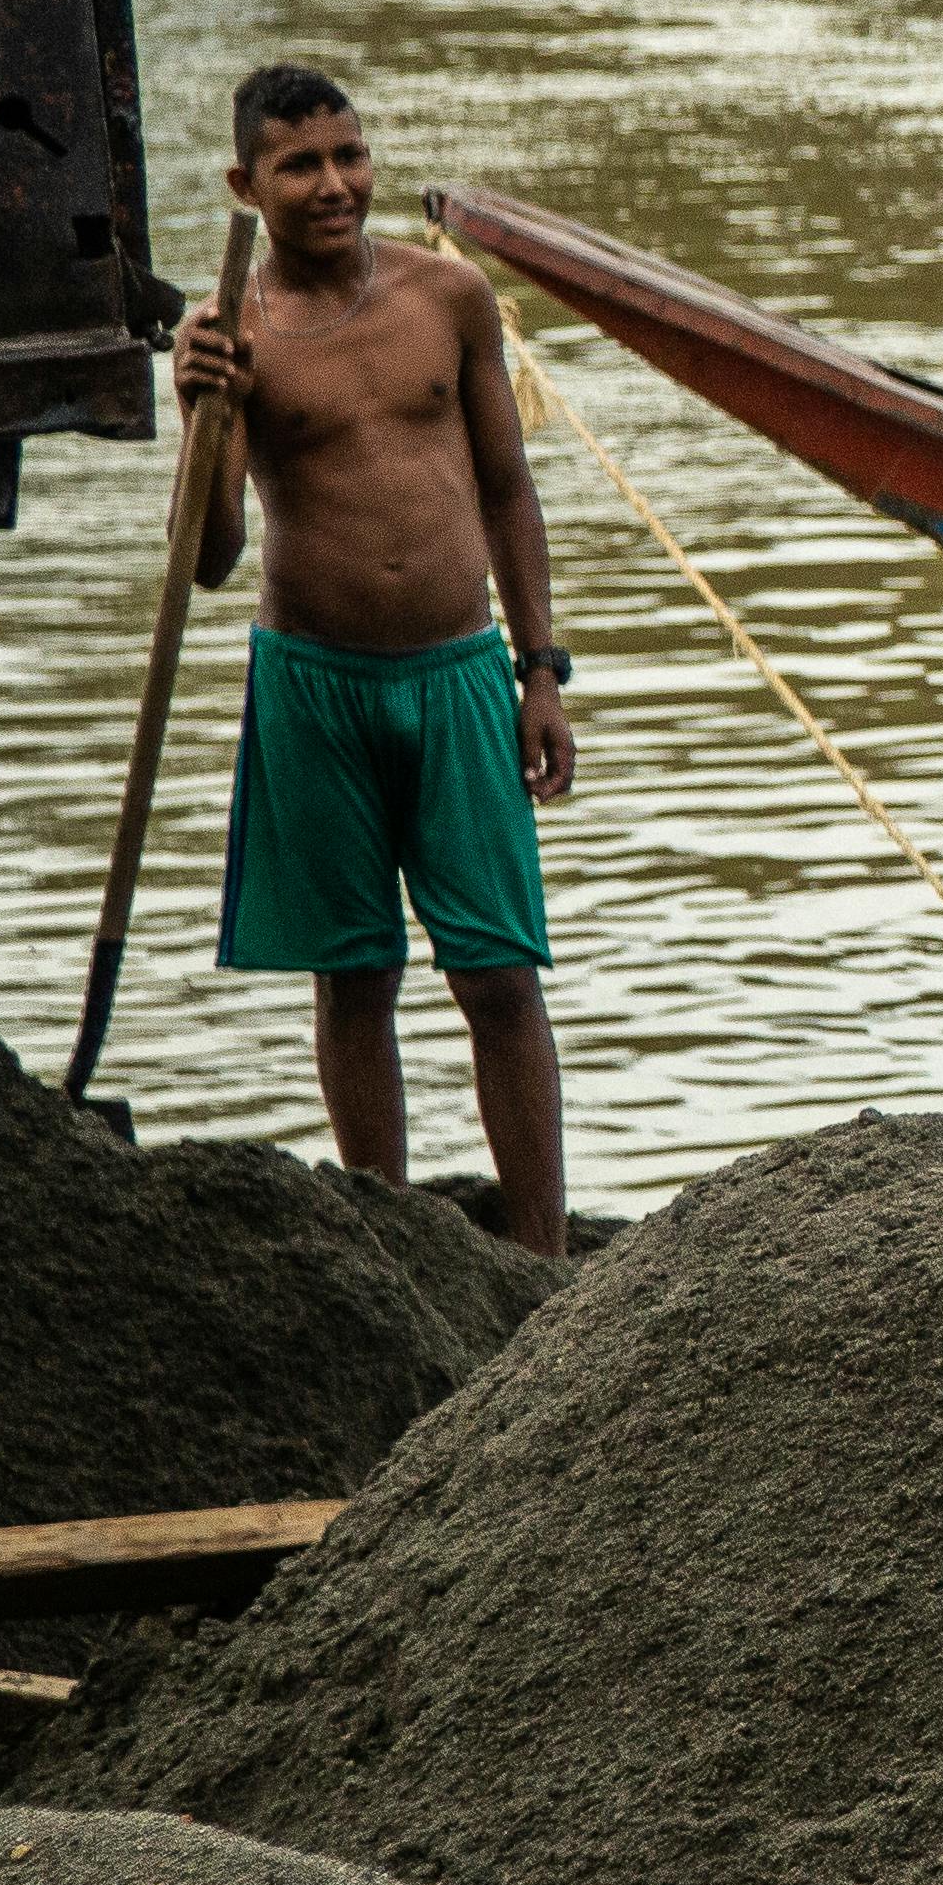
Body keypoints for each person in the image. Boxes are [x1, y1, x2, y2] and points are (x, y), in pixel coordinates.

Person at [175, 63, 580, 1254]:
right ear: (247, 184)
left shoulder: (447, 297)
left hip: (459, 674)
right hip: (314, 684)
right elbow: (210, 558)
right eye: (300, 165)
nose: (336, 184)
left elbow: (509, 492)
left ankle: (547, 1267)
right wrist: (202, 410)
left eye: (349, 155)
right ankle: (392, 1240)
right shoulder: (234, 333)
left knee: (500, 974)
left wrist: (540, 671)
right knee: (355, 978)